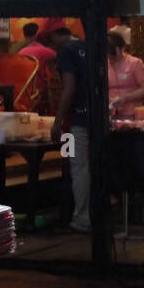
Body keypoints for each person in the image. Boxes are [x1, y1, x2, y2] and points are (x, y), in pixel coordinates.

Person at [50, 32, 91, 233]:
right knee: (90, 166)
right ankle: (91, 214)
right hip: (96, 118)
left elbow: (69, 89)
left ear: (60, 36)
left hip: (75, 122)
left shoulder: (66, 52)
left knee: (77, 167)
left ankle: (82, 218)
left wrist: (57, 122)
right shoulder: (89, 46)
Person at [107, 32, 144, 120]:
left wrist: (126, 98)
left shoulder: (135, 63)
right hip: (110, 113)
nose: (111, 57)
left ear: (121, 48)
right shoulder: (104, 64)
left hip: (132, 114)